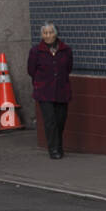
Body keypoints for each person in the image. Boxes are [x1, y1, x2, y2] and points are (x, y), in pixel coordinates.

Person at [27, 22, 72, 159]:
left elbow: (68, 67)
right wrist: (40, 82)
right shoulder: (36, 51)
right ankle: (53, 149)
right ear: (42, 35)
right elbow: (31, 70)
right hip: (44, 91)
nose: (48, 36)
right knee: (50, 120)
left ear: (55, 34)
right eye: (45, 33)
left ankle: (58, 145)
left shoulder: (66, 50)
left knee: (60, 119)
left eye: (50, 32)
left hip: (61, 90)